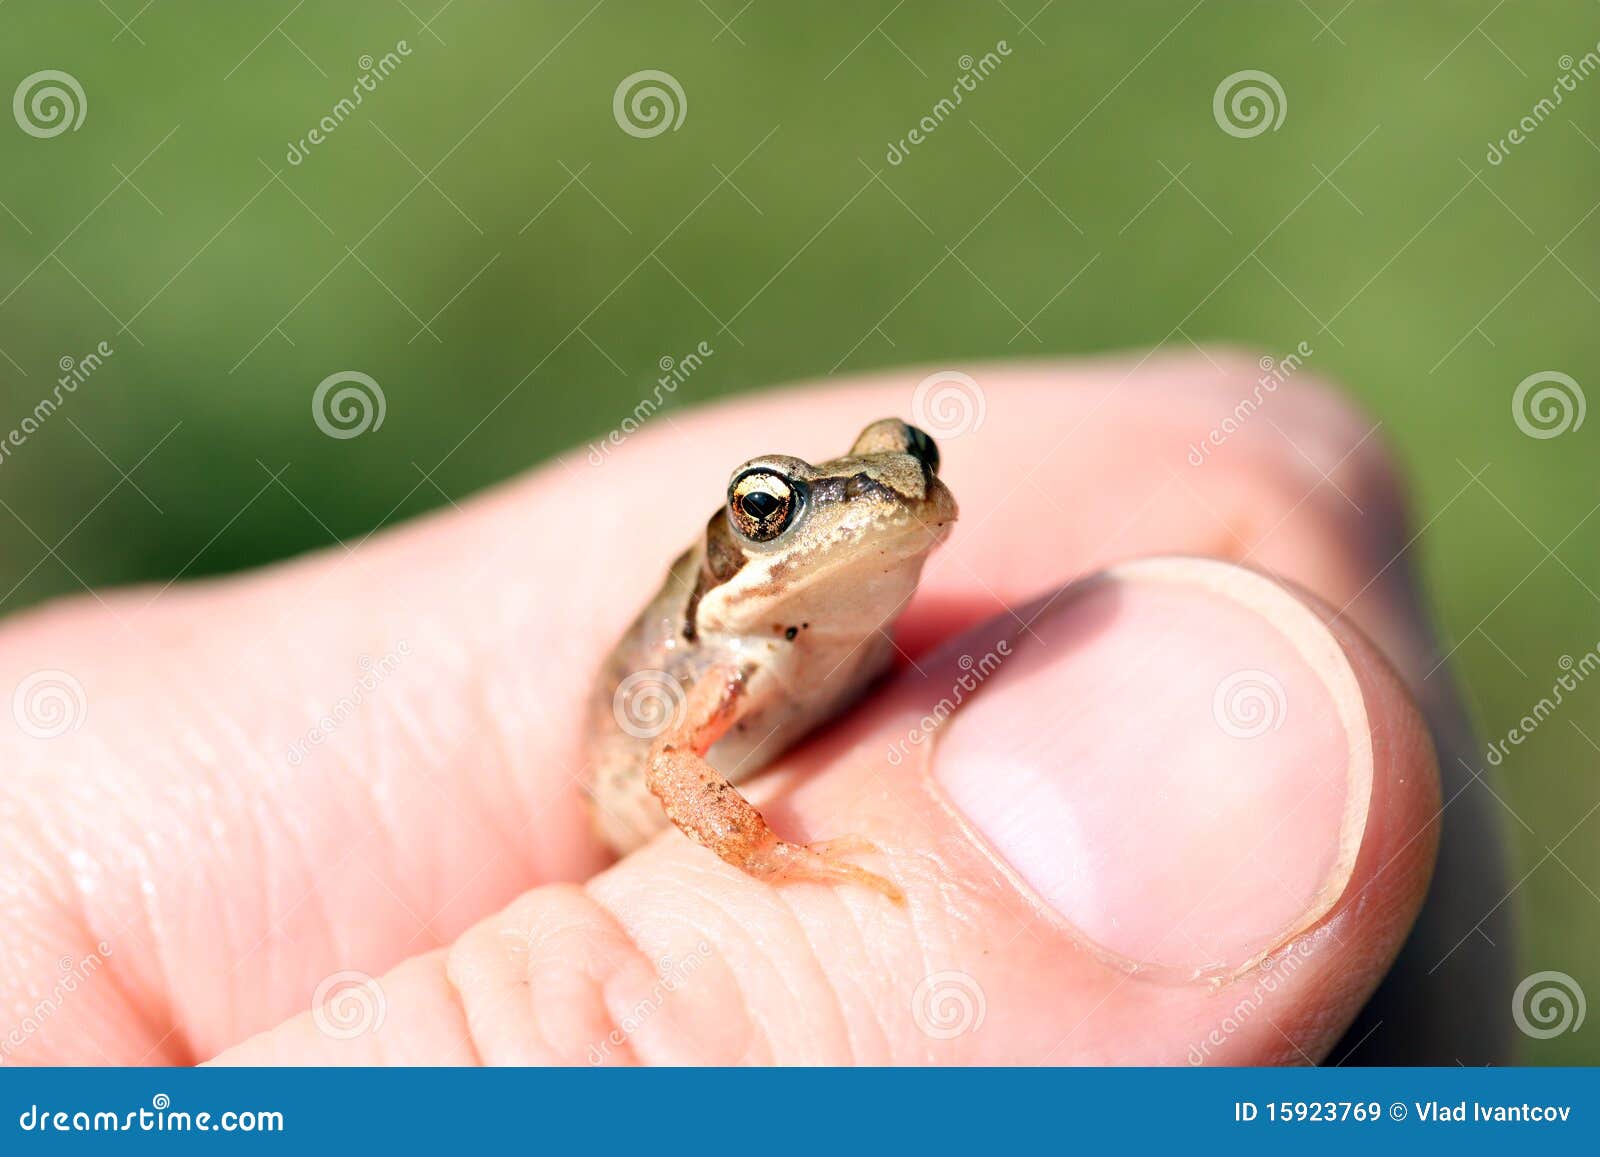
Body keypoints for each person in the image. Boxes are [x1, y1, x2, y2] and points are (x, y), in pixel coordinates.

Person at [0, 352, 1509, 1064]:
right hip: (616, 804)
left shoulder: (875, 603)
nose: (873, 506)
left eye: (908, 468)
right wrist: (791, 872)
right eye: (780, 509)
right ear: (746, 543)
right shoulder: (736, 646)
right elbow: (667, 771)